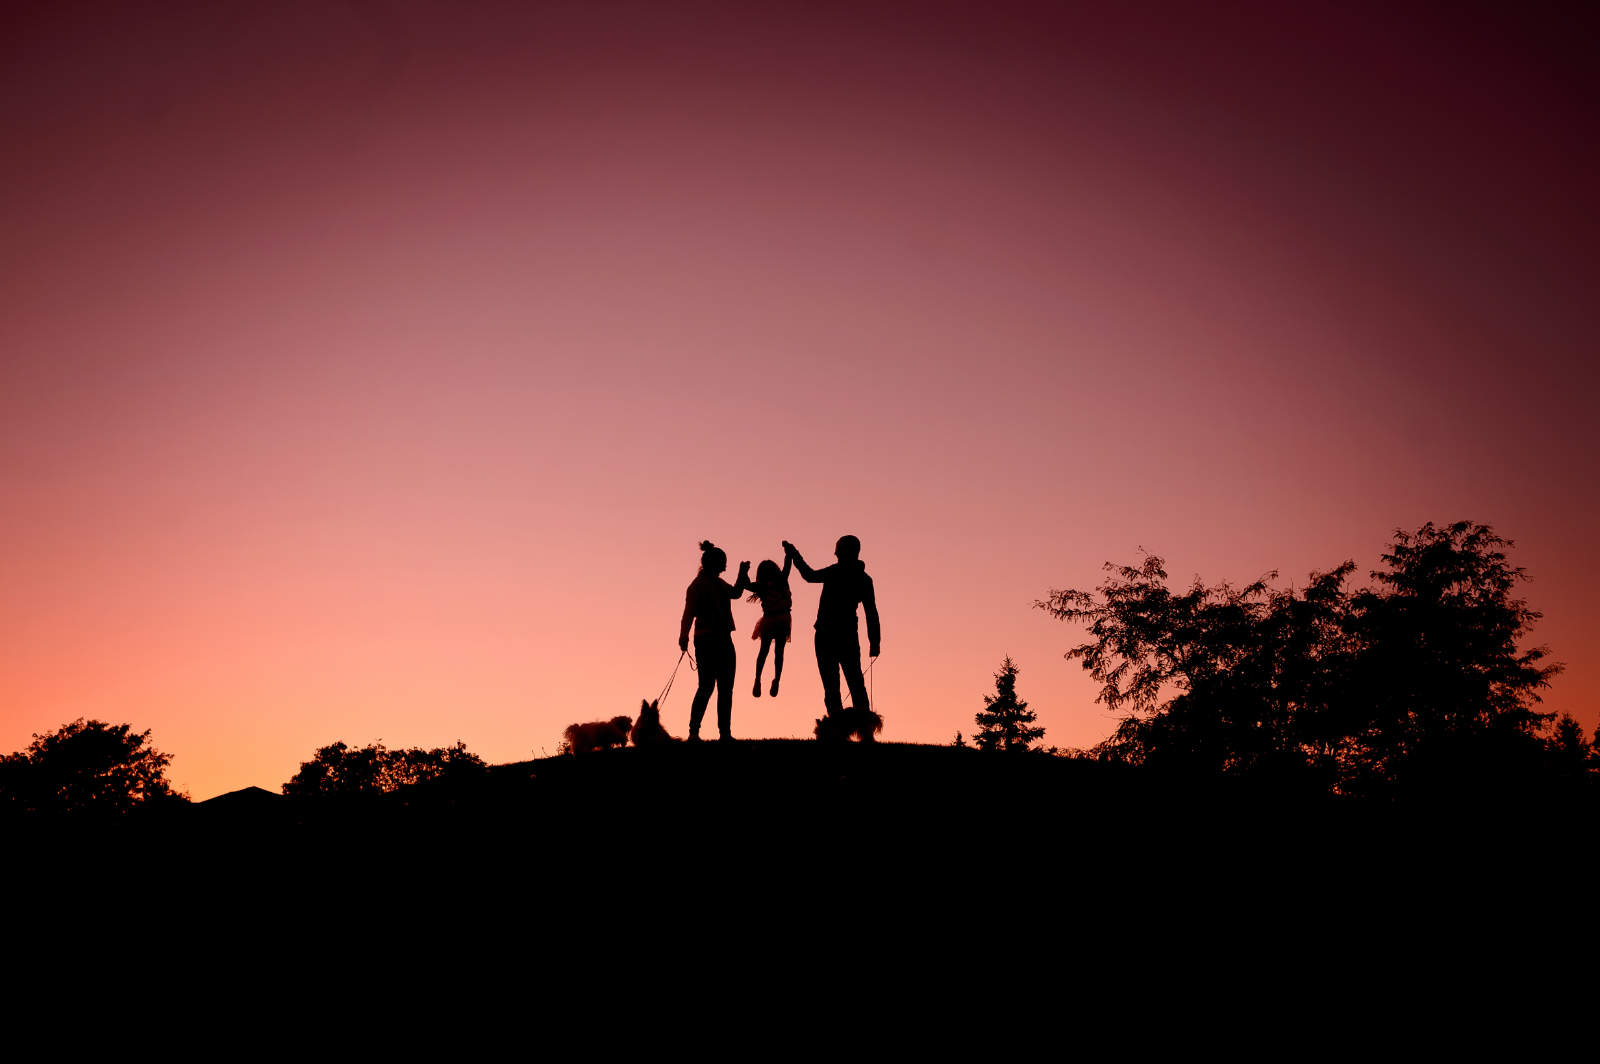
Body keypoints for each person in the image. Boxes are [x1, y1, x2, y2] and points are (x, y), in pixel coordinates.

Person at [782, 535, 880, 720]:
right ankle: (863, 731)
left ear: (841, 552)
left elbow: (809, 576)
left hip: (829, 634)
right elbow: (871, 613)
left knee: (836, 685)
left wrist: (795, 555)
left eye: (838, 550)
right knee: (854, 683)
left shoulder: (837, 572)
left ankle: (838, 730)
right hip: (845, 635)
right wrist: (874, 641)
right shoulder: (864, 579)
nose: (836, 554)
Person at [679, 540, 751, 741]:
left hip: (715, 639)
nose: (725, 565)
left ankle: (711, 733)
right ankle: (704, 732)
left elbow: (735, 593)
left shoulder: (710, 583)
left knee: (715, 687)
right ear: (716, 563)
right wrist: (683, 636)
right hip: (711, 640)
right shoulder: (698, 586)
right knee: (713, 687)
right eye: (724, 562)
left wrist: (742, 574)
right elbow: (688, 614)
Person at [746, 553, 794, 698]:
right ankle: (769, 680)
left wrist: (744, 571)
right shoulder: (779, 581)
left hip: (775, 619)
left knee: (767, 651)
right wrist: (788, 553)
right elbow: (786, 568)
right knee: (775, 652)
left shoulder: (767, 584)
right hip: (779, 618)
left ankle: (762, 680)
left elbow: (746, 584)